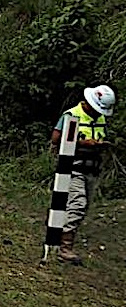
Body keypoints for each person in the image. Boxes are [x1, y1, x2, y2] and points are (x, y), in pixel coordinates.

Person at [50, 84, 116, 264]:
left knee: (82, 208)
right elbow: (56, 140)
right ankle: (64, 247)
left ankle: (64, 242)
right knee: (77, 204)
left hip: (92, 169)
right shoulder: (71, 115)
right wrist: (84, 143)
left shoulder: (100, 118)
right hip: (73, 167)